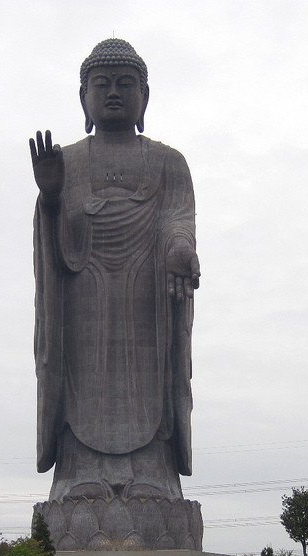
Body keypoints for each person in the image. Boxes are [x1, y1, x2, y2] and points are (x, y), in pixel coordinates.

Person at [29, 38, 199, 505]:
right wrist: (51, 198)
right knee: (81, 376)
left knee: (152, 377)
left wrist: (181, 249)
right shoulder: (68, 160)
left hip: (147, 297)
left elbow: (177, 220)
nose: (114, 93)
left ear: (145, 96)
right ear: (83, 97)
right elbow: (56, 239)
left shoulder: (169, 162)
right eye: (101, 84)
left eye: (126, 84)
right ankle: (78, 477)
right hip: (83, 295)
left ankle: (155, 477)